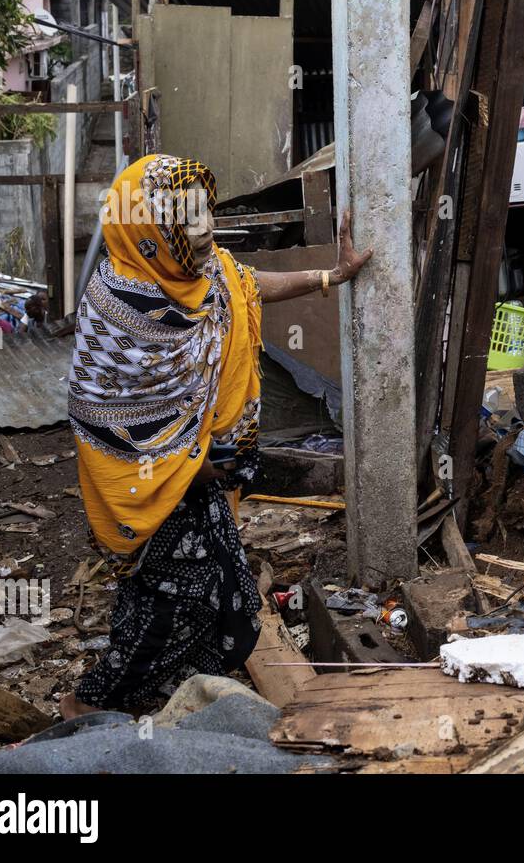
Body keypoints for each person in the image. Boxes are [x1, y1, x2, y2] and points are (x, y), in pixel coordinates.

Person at [60, 154, 372, 720]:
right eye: (186, 216)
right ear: (147, 232)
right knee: (165, 600)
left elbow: (247, 285)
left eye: (206, 211)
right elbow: (107, 417)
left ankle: (178, 696)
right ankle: (89, 703)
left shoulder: (197, 274)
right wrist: (190, 463)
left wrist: (331, 276)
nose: (204, 228)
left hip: (201, 471)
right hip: (151, 483)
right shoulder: (120, 307)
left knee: (221, 589)